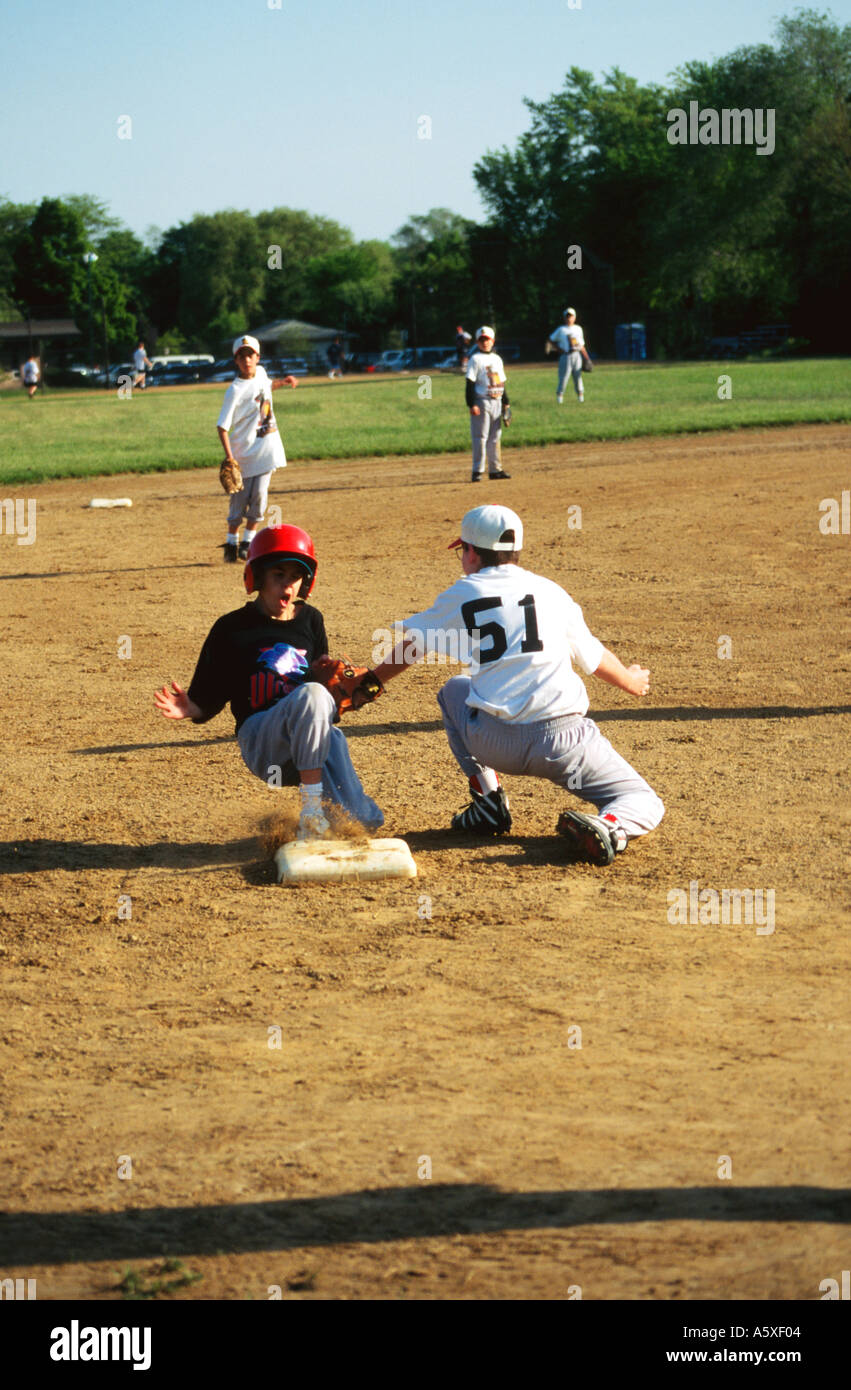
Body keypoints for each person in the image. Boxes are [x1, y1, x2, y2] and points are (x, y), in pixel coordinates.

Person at [370, 504, 664, 865]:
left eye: (463, 550)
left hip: (494, 742)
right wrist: (631, 681)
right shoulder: (551, 591)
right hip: (564, 747)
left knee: (454, 691)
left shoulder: (465, 591)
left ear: (473, 552)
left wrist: (371, 681)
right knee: (643, 799)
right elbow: (594, 658)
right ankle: (610, 826)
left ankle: (488, 801)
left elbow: (415, 645)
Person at [154, 525, 383, 840]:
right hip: (263, 741)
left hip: (305, 746)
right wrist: (192, 706)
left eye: (295, 576)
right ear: (258, 577)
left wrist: (330, 683)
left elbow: (320, 692)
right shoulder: (232, 628)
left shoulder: (311, 620)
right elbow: (212, 690)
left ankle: (328, 818)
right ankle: (312, 813)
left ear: (306, 582)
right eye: (278, 574)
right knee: (313, 696)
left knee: (361, 821)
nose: (287, 584)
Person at [217, 333, 297, 562]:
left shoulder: (261, 373)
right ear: (236, 361)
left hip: (267, 451)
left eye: (250, 354)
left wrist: (283, 382)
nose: (246, 360)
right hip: (243, 456)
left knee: (259, 500)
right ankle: (231, 544)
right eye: (241, 356)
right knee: (238, 506)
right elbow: (222, 426)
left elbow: (265, 387)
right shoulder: (234, 390)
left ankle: (247, 543)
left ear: (258, 357)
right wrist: (230, 459)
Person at [466, 326, 511, 483]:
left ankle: (495, 469)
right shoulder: (475, 359)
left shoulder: (497, 359)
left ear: (492, 341)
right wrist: (471, 404)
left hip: (497, 400)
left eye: (487, 340)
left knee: (495, 437)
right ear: (478, 342)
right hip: (482, 401)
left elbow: (501, 382)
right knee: (480, 437)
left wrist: (506, 401)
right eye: (481, 340)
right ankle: (477, 471)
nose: (485, 343)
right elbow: (470, 382)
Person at [545, 307, 591, 404]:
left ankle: (580, 397)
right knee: (564, 377)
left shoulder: (578, 329)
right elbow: (550, 340)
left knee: (578, 377)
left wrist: (587, 357)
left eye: (571, 316)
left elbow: (581, 345)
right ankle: (560, 397)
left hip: (576, 355)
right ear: (564, 318)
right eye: (567, 316)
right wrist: (558, 349)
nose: (569, 318)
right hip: (566, 356)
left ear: (574, 317)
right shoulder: (561, 329)